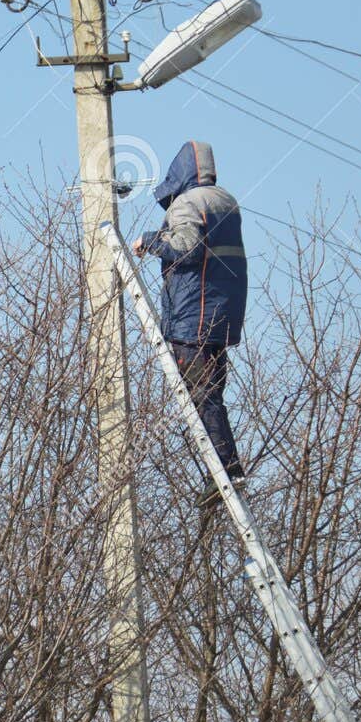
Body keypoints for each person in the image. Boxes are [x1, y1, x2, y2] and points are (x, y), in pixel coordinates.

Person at [131, 140, 247, 504]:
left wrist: (150, 241)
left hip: (192, 317)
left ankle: (227, 473)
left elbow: (186, 248)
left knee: (203, 395)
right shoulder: (226, 201)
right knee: (211, 396)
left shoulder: (188, 203)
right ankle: (226, 472)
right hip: (220, 317)